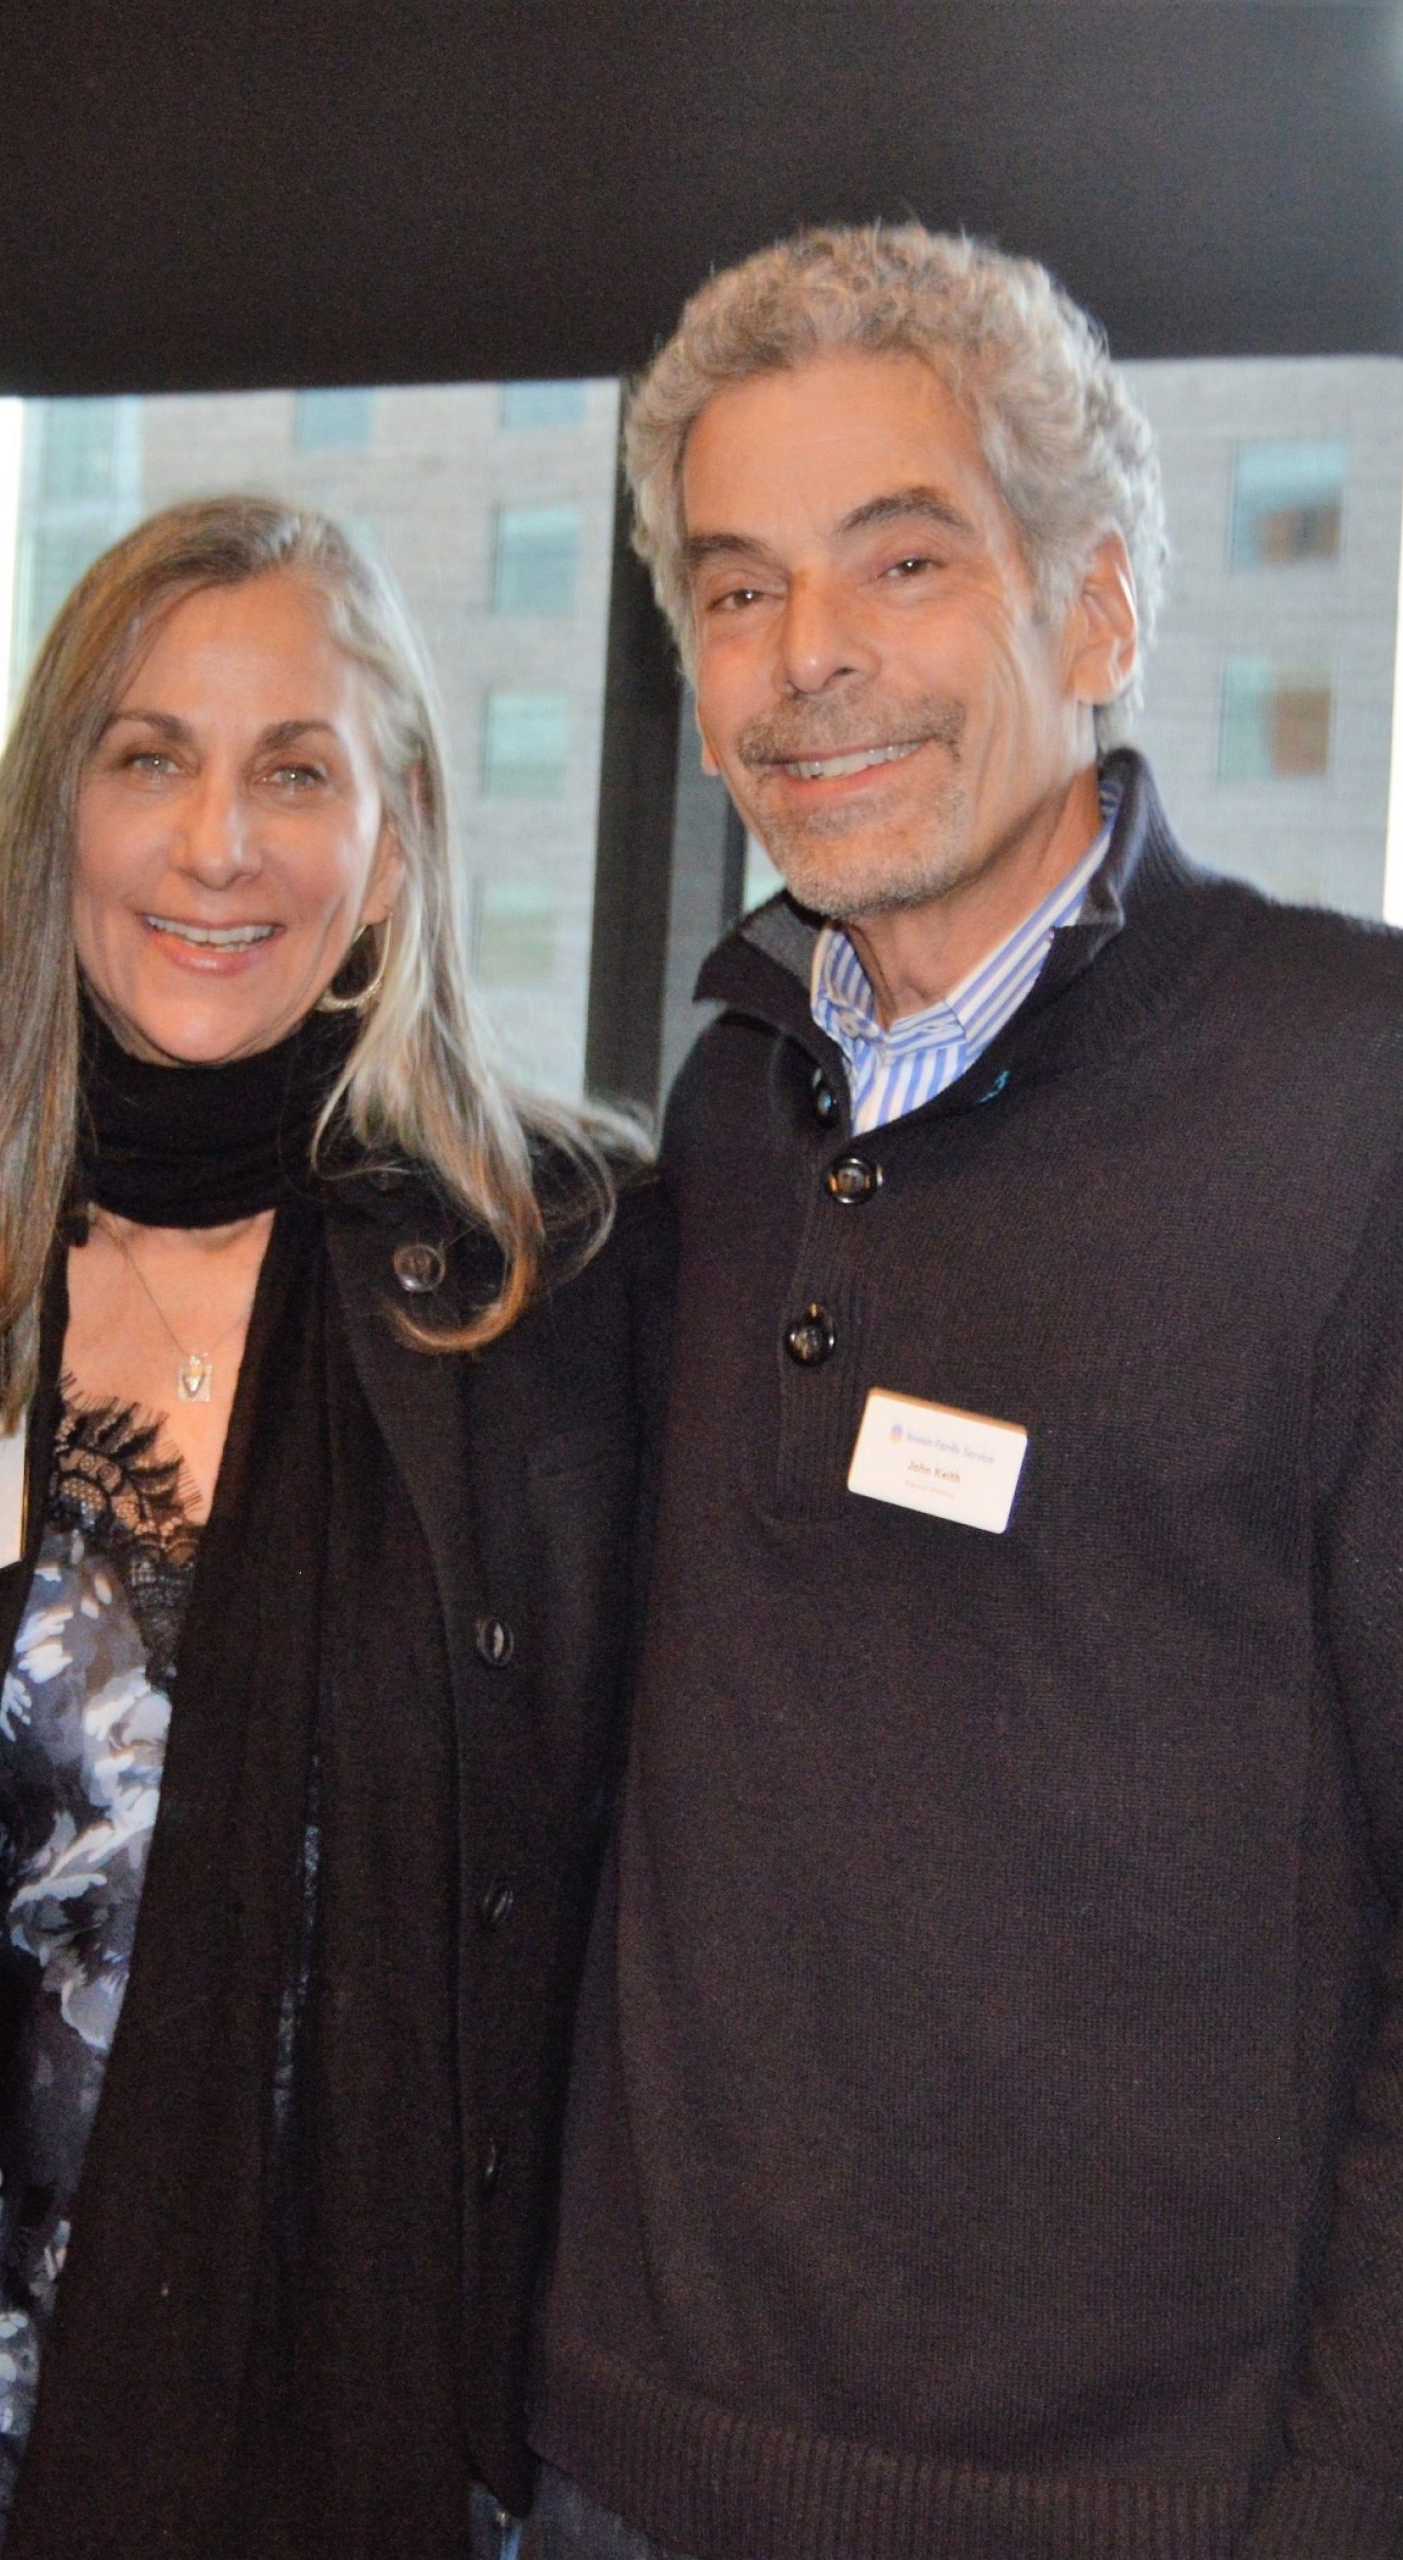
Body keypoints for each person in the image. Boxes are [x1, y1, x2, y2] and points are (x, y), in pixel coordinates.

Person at [0, 494, 666, 2560]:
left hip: (371, 2428)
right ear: (60, 824)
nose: (216, 842)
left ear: (390, 845)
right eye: (148, 757)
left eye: (293, 769)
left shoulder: (564, 1278)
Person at [532, 224, 1403, 2560]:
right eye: (732, 590)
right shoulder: (725, 1106)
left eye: (897, 560)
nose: (806, 658)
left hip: (1129, 2502)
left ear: (1092, 612)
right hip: (618, 2456)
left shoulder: (1354, 1098)